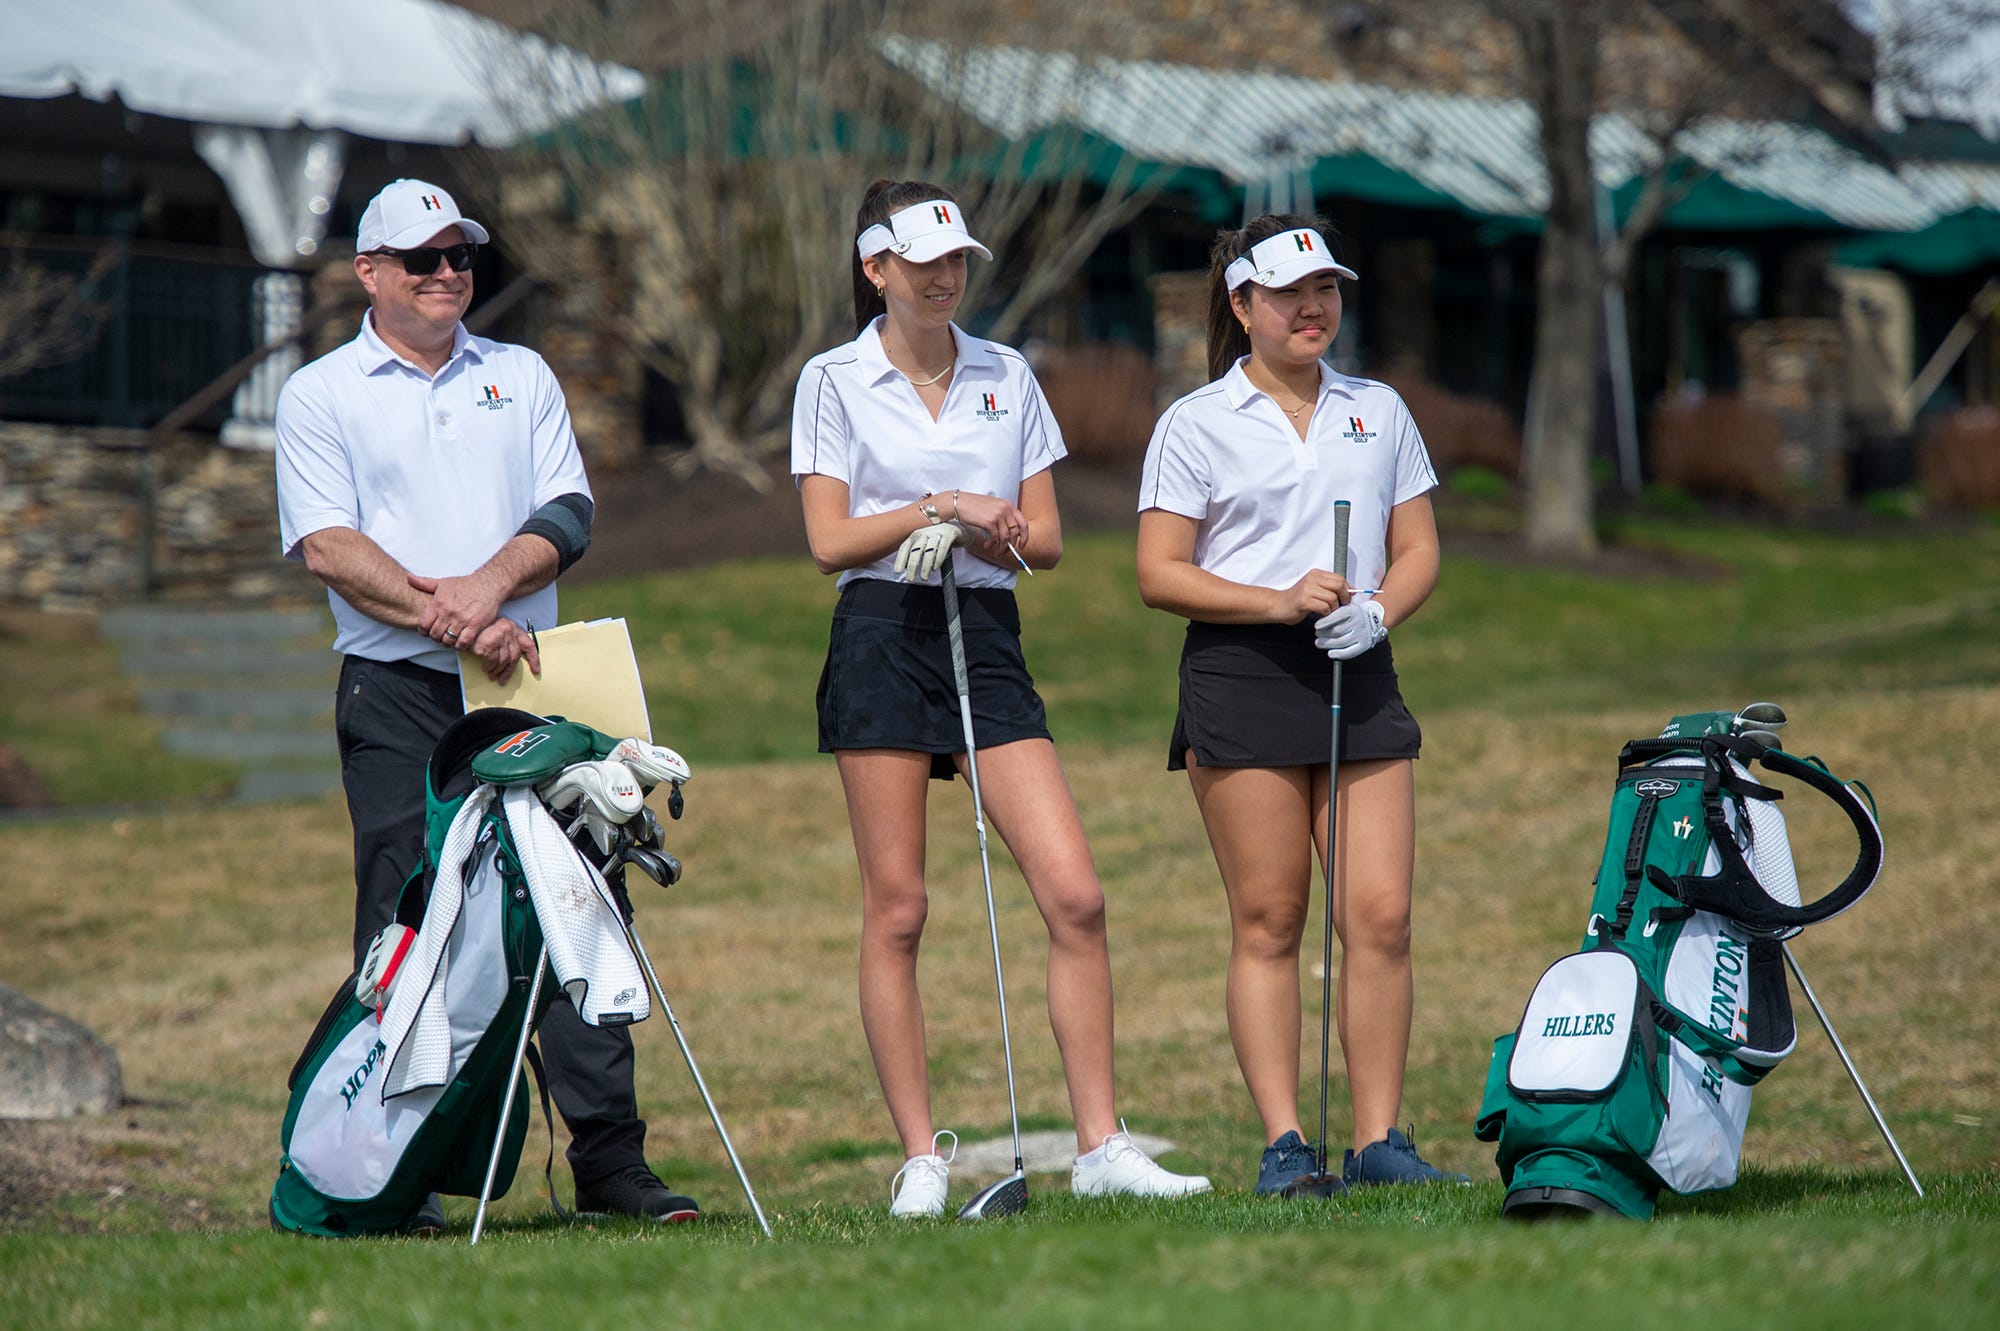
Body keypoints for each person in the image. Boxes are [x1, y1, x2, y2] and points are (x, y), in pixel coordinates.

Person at [275, 178, 694, 1230]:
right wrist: (459, 617)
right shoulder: (321, 393)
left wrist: (484, 593)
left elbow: (569, 509)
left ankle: (610, 1163)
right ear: (368, 272)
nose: (448, 273)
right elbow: (328, 546)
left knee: (581, 902)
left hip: (526, 681)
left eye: (461, 255)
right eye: (422, 259)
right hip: (397, 690)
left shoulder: (521, 372)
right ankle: (395, 1168)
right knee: (405, 920)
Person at [791, 179, 1212, 1217]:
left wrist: (995, 530)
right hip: (881, 631)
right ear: (875, 268)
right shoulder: (832, 379)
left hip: (982, 629)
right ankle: (919, 1159)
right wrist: (934, 507)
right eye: (923, 262)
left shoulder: (1005, 372)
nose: (946, 278)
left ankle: (1100, 1144)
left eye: (957, 261)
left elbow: (1048, 538)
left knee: (1076, 894)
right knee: (899, 907)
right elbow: (829, 539)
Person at [1135, 212, 1462, 1192]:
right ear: (1242, 305)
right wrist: (1276, 600)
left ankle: (1378, 1141)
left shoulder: (1377, 408)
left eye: (1325, 289)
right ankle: (1285, 1144)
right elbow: (1159, 571)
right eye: (1288, 293)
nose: (1312, 307)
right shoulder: (1196, 421)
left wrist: (1379, 610)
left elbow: (1418, 548)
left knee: (1381, 916)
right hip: (1242, 671)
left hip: (1356, 666)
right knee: (1271, 918)